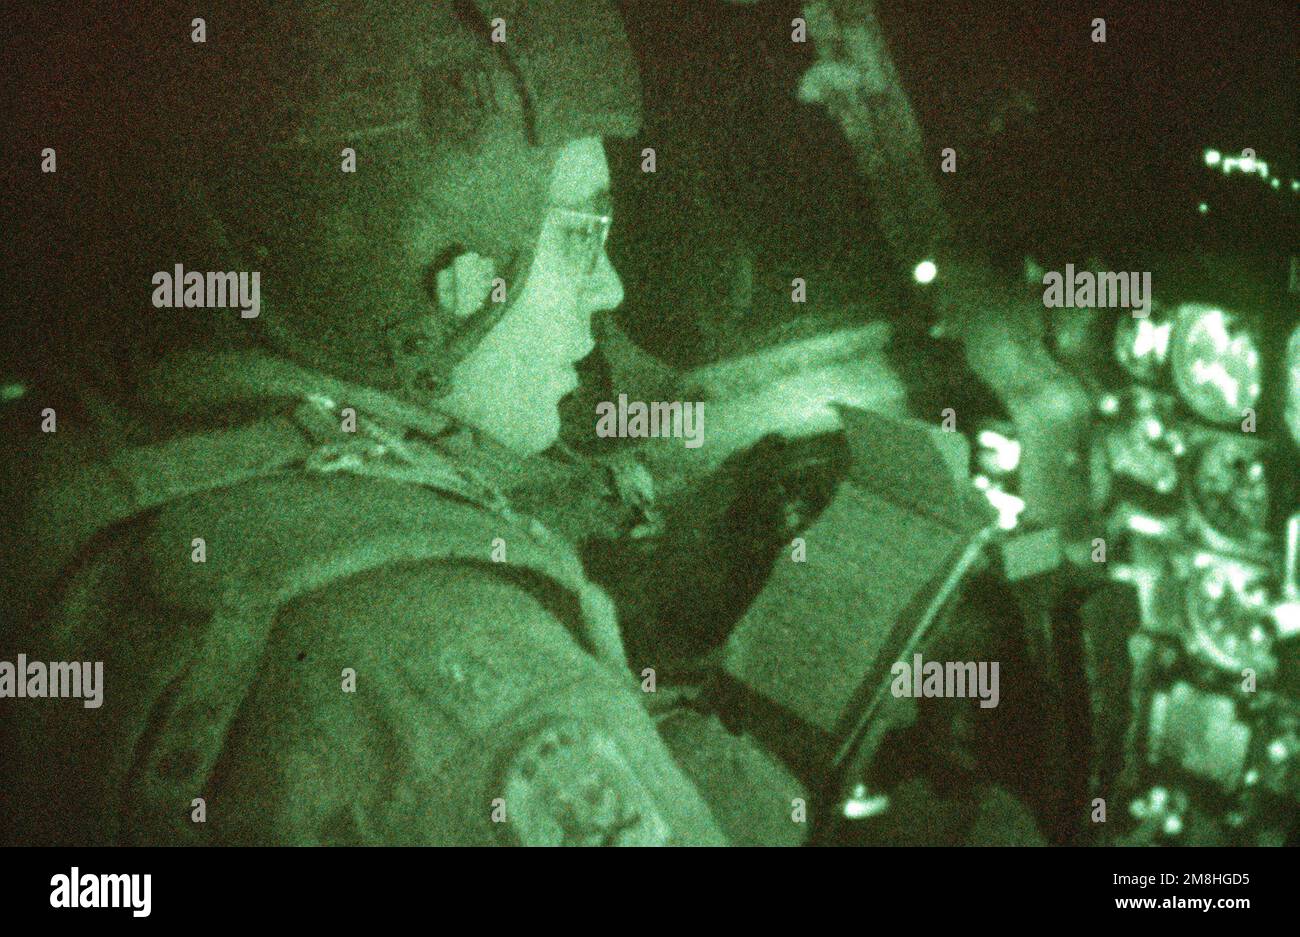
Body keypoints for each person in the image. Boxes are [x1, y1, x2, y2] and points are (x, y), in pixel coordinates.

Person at [0, 0, 804, 846]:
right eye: (580, 236)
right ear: (442, 264)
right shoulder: (474, 695)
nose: (610, 290)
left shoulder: (124, 435)